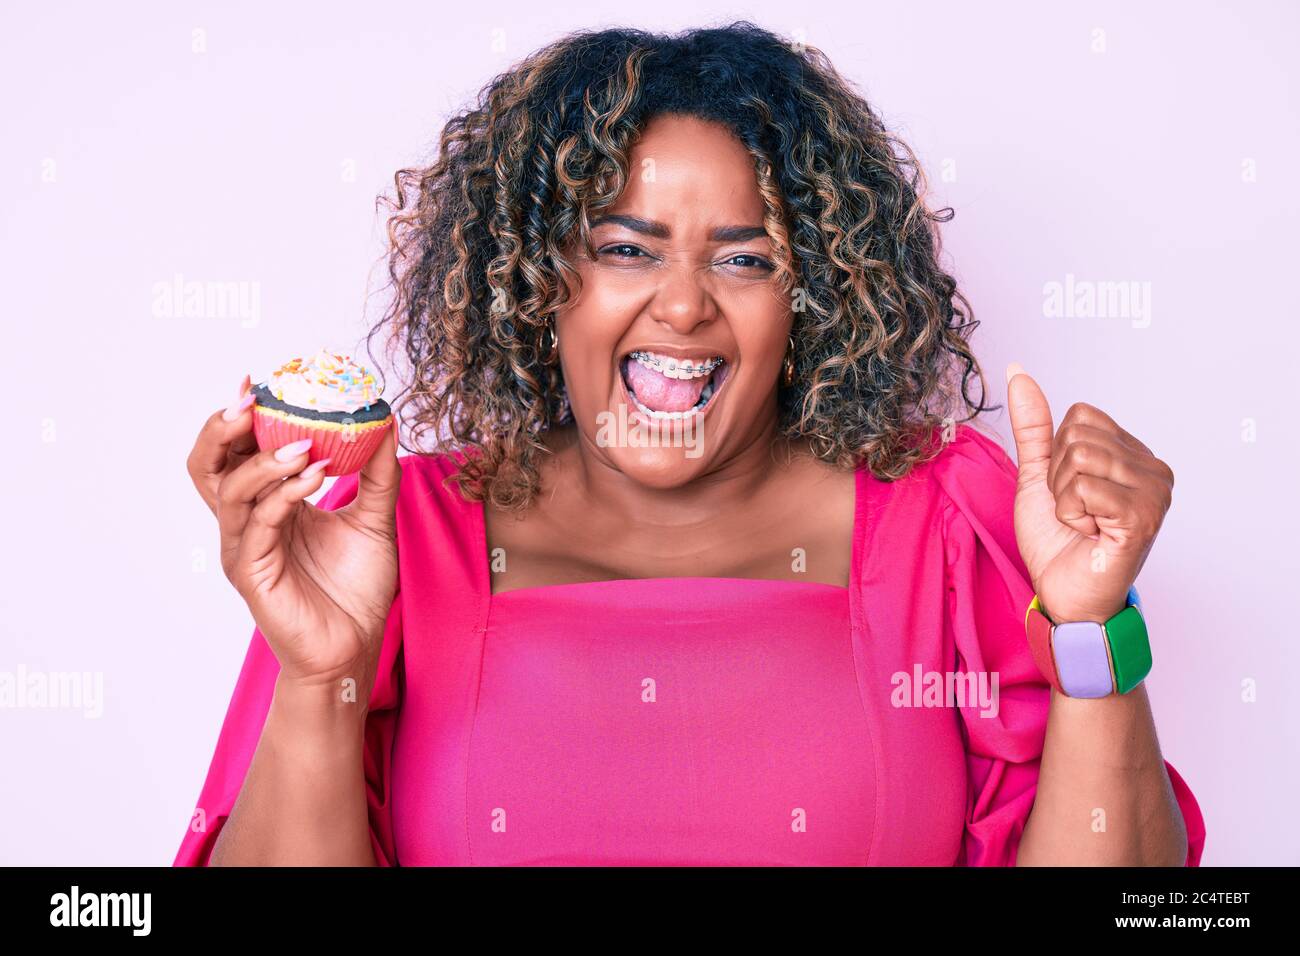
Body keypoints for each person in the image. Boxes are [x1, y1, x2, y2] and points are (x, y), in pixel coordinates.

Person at [176, 21, 1204, 866]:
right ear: (537, 285)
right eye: (625, 247)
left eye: (746, 259)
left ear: (812, 301)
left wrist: (1091, 624)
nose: (681, 303)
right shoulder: (397, 536)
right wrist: (319, 677)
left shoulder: (948, 518)